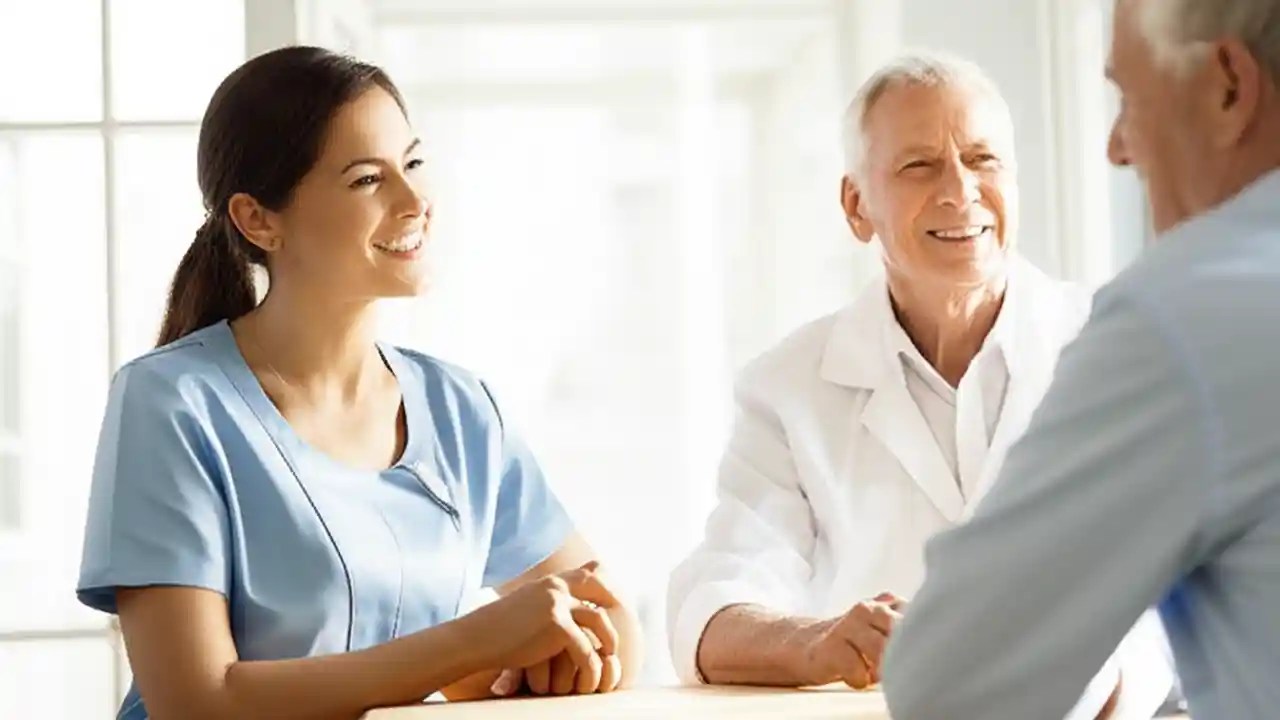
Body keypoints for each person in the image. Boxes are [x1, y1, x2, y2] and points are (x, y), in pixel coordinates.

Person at [76, 46, 641, 720]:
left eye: (413, 164)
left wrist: (555, 662)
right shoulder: (171, 403)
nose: (415, 200)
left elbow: (602, 615)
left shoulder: (462, 410)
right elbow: (196, 699)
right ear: (258, 219)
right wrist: (470, 645)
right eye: (367, 179)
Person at [666, 52, 1172, 718]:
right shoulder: (786, 389)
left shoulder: (1126, 351)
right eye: (919, 166)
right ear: (857, 205)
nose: (960, 192)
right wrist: (818, 642)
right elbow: (712, 610)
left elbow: (1201, 580)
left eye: (984, 160)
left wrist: (1109, 671)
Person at [881, 1, 1280, 718]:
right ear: (858, 207)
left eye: (1130, 96)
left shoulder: (1185, 314)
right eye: (918, 165)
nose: (1117, 148)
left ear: (1228, 85)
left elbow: (950, 681)